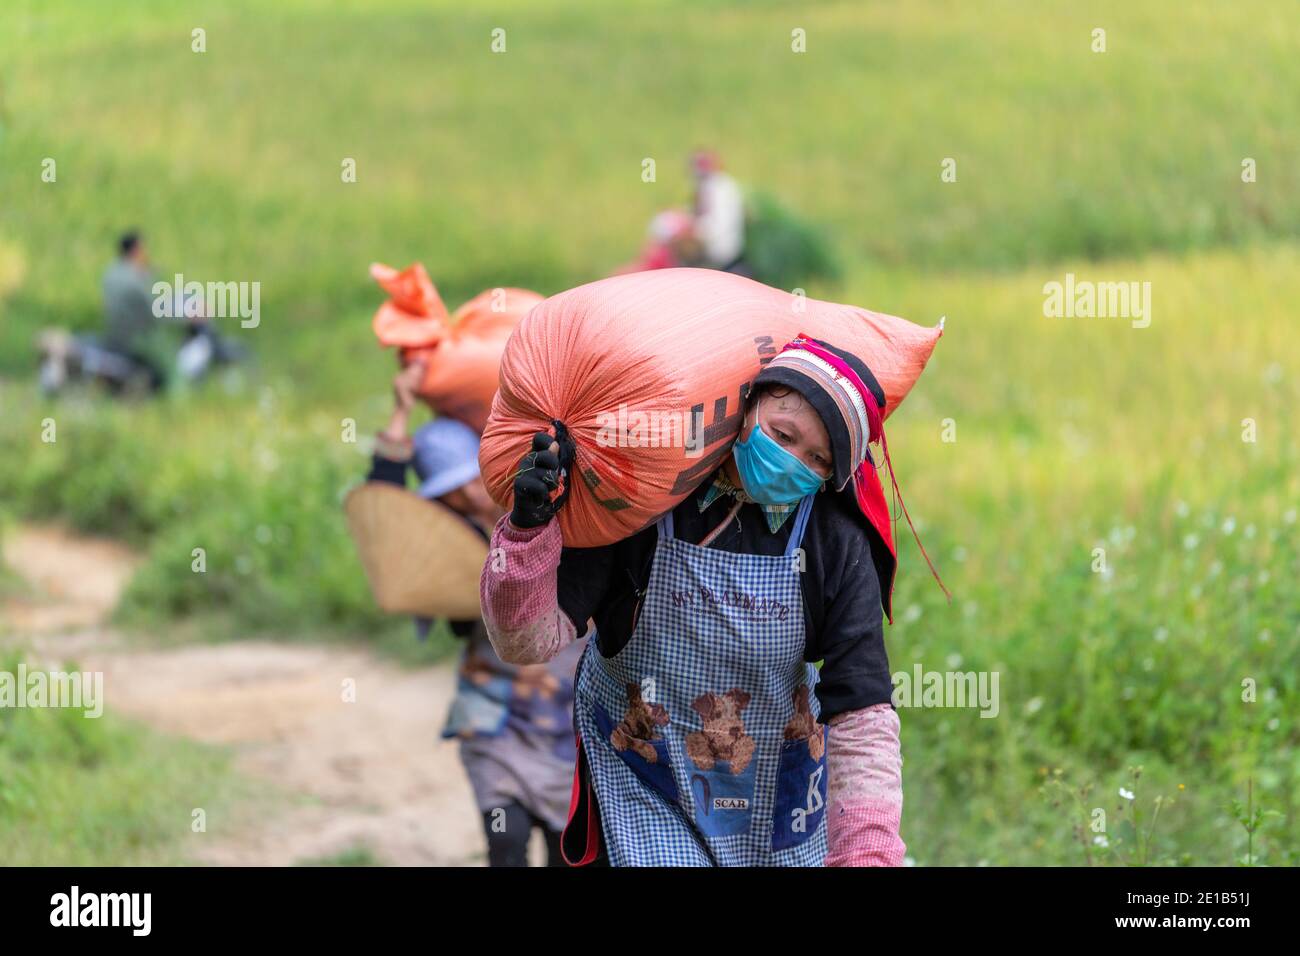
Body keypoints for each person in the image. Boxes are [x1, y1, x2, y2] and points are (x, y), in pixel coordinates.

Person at [480, 335, 909, 866]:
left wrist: (869, 853)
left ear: (830, 477)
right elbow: (524, 641)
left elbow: (861, 715)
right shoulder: (643, 499)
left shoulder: (836, 543)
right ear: (746, 406)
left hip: (778, 798)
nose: (790, 461)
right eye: (782, 434)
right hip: (644, 782)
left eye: (816, 458)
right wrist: (528, 532)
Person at [366, 359, 586, 867]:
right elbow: (385, 519)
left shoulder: (559, 513)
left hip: (567, 715)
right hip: (494, 716)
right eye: (447, 491)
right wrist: (401, 414)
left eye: (464, 483)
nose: (461, 495)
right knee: (505, 842)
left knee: (566, 852)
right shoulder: (449, 540)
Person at [101, 230, 170, 390]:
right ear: (136, 250)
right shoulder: (135, 277)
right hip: (135, 340)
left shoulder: (112, 272)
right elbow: (154, 311)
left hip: (113, 334)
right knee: (169, 362)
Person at [688, 150, 750, 276]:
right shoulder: (711, 186)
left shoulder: (721, 188)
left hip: (723, 253)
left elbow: (721, 224)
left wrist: (696, 231)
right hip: (716, 249)